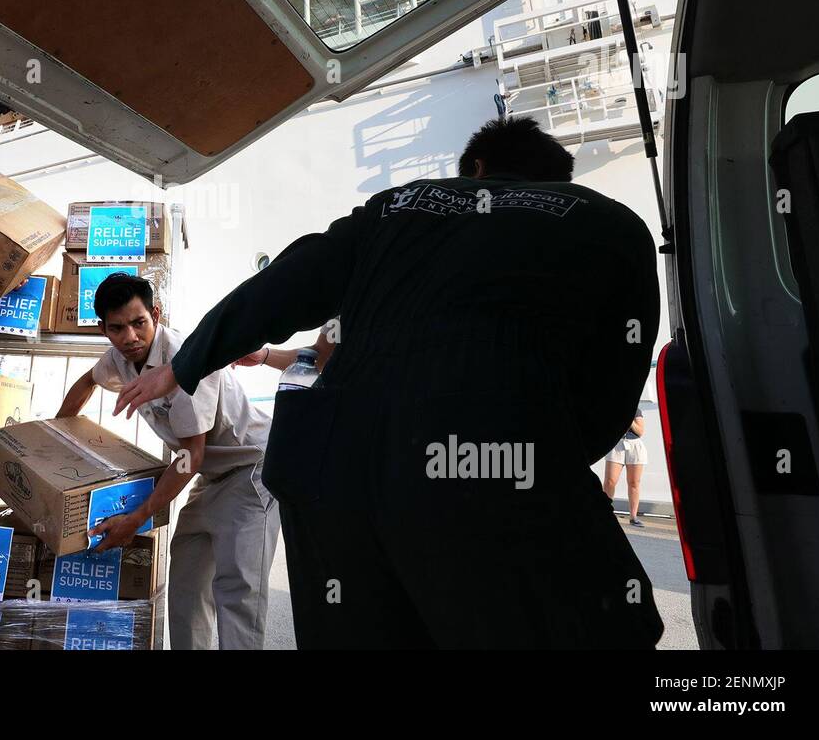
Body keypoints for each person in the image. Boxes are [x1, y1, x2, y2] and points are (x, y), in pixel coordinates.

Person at [117, 116, 664, 649]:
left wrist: (182, 365)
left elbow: (290, 279)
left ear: (475, 168)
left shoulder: (400, 206)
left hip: (330, 471)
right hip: (496, 463)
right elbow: (612, 384)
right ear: (555, 180)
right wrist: (551, 454)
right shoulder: (607, 224)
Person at [56, 273, 278, 650]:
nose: (130, 337)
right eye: (117, 328)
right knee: (187, 584)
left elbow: (191, 454)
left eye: (138, 323)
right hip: (210, 477)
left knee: (237, 591)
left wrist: (136, 519)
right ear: (103, 329)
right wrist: (56, 438)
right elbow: (86, 383)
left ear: (155, 314)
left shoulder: (186, 358)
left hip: (252, 470)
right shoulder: (119, 358)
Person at [603, 410, 648, 527]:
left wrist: (629, 420)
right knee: (610, 481)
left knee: (634, 482)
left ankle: (633, 517)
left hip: (634, 446)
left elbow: (640, 431)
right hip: (617, 444)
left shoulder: (635, 410)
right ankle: (606, 513)